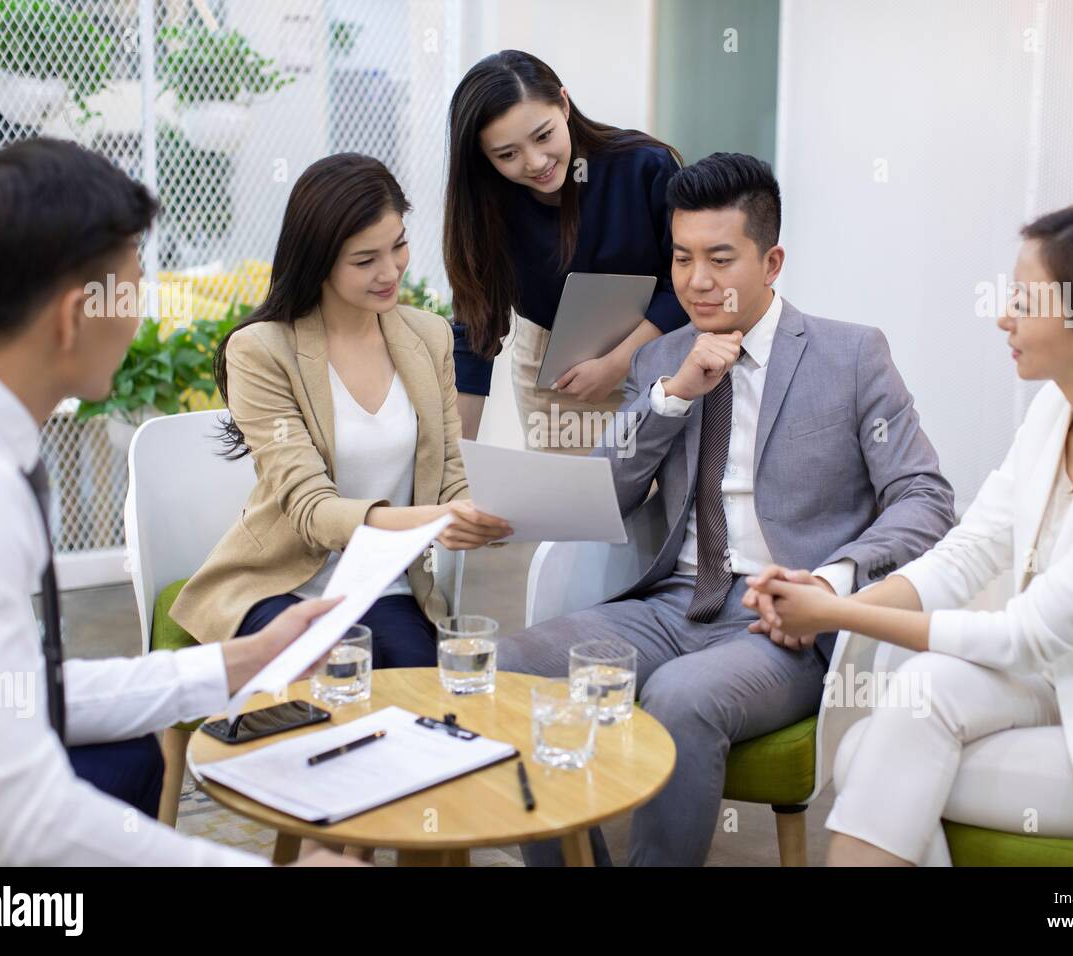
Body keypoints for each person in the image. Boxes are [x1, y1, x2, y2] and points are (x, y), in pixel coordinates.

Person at [497, 152, 956, 865]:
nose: (697, 281)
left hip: (784, 623)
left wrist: (833, 581)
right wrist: (674, 395)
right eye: (681, 259)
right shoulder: (658, 361)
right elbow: (604, 497)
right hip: (668, 604)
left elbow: (925, 497)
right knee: (514, 663)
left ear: (771, 262)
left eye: (719, 258)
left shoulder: (851, 355)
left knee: (683, 697)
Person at [744, 204, 1073, 865]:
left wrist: (832, 613)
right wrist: (831, 599)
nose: (1004, 315)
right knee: (919, 699)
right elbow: (968, 553)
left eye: (1025, 301)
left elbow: (1026, 635)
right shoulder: (1055, 412)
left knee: (873, 757)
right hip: (1063, 692)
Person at [0, 137, 355, 866]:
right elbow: (19, 821)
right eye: (132, 290)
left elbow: (19, 689)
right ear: (72, 316)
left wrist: (237, 661)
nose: (136, 318)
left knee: (128, 756)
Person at [169, 154, 512, 663]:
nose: (390, 270)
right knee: (327, 672)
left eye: (398, 245)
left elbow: (451, 480)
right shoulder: (262, 351)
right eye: (364, 259)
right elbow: (313, 512)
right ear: (318, 260)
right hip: (277, 585)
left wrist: (504, 514)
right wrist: (437, 520)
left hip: (384, 586)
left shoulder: (429, 337)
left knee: (414, 691)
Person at [444, 49, 689, 453]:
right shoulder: (488, 205)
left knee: (662, 507)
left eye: (544, 136)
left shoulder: (643, 167)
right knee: (574, 505)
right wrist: (454, 467)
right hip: (559, 376)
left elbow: (685, 284)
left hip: (659, 355)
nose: (536, 162)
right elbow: (476, 329)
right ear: (483, 158)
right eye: (507, 155)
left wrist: (616, 364)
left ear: (563, 102)